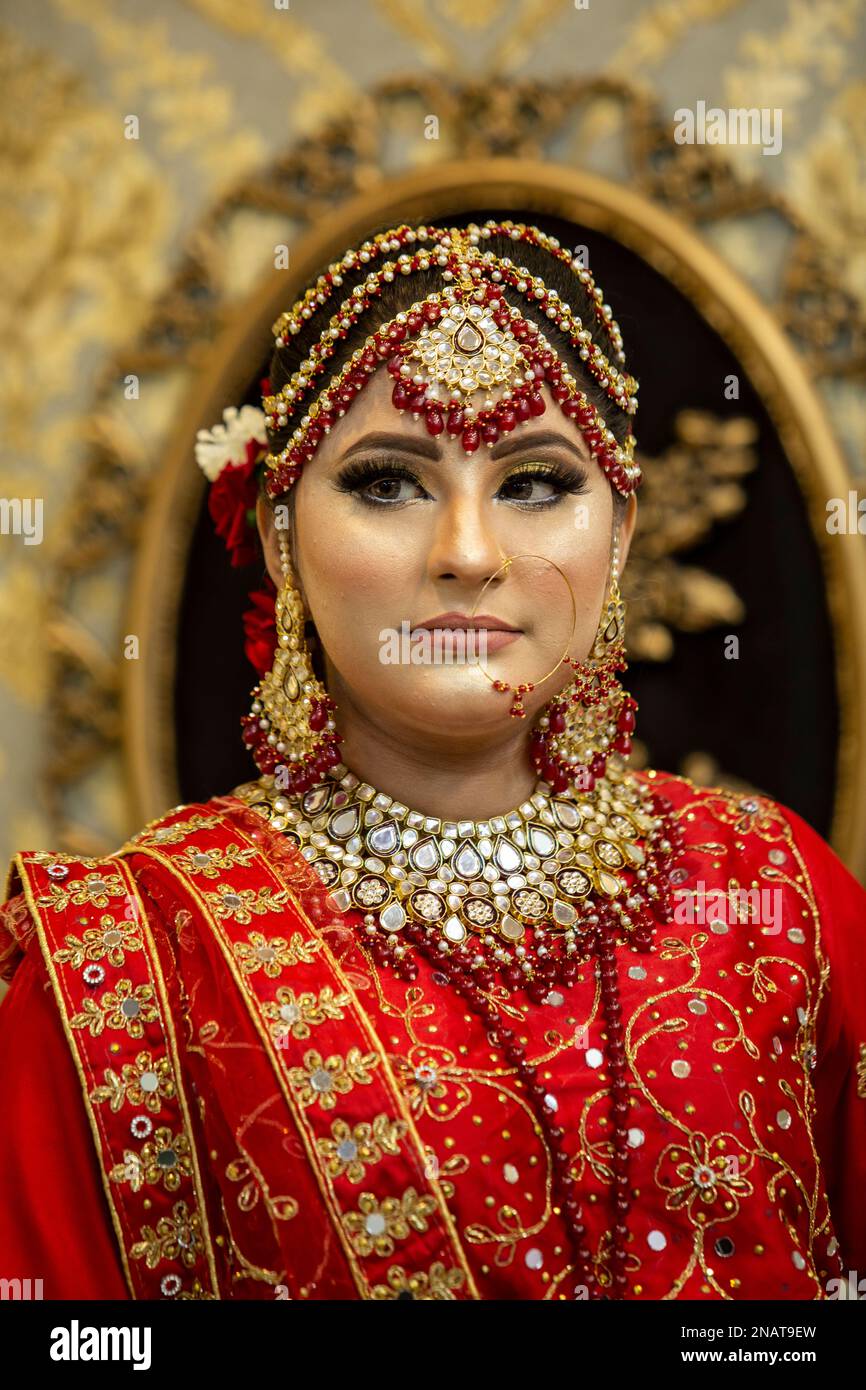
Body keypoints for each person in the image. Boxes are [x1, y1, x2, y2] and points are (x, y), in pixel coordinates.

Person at [1, 218, 864, 1302]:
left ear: (623, 532)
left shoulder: (774, 902)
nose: (466, 552)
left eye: (536, 483)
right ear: (280, 537)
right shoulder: (134, 957)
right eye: (386, 484)